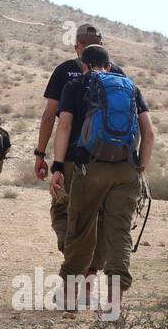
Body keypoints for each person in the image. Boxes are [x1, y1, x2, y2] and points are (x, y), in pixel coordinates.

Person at [49, 45, 154, 306]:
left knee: (80, 229)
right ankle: (113, 306)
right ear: (109, 65)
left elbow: (64, 125)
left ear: (83, 64)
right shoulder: (130, 87)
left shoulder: (75, 85)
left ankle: (70, 299)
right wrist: (140, 168)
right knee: (119, 233)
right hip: (126, 170)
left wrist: (58, 166)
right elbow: (149, 133)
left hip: (90, 168)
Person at [34, 23, 128, 252]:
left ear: (77, 45)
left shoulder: (65, 71)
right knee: (100, 214)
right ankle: (92, 267)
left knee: (63, 209)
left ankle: (73, 258)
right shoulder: (117, 73)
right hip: (110, 158)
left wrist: (41, 154)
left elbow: (50, 117)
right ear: (102, 45)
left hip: (71, 157)